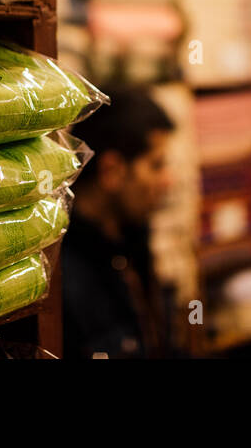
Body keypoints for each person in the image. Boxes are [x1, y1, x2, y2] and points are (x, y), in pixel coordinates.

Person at [61, 86, 175, 358]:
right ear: (112, 171)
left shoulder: (131, 240)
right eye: (156, 165)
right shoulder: (63, 272)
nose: (169, 180)